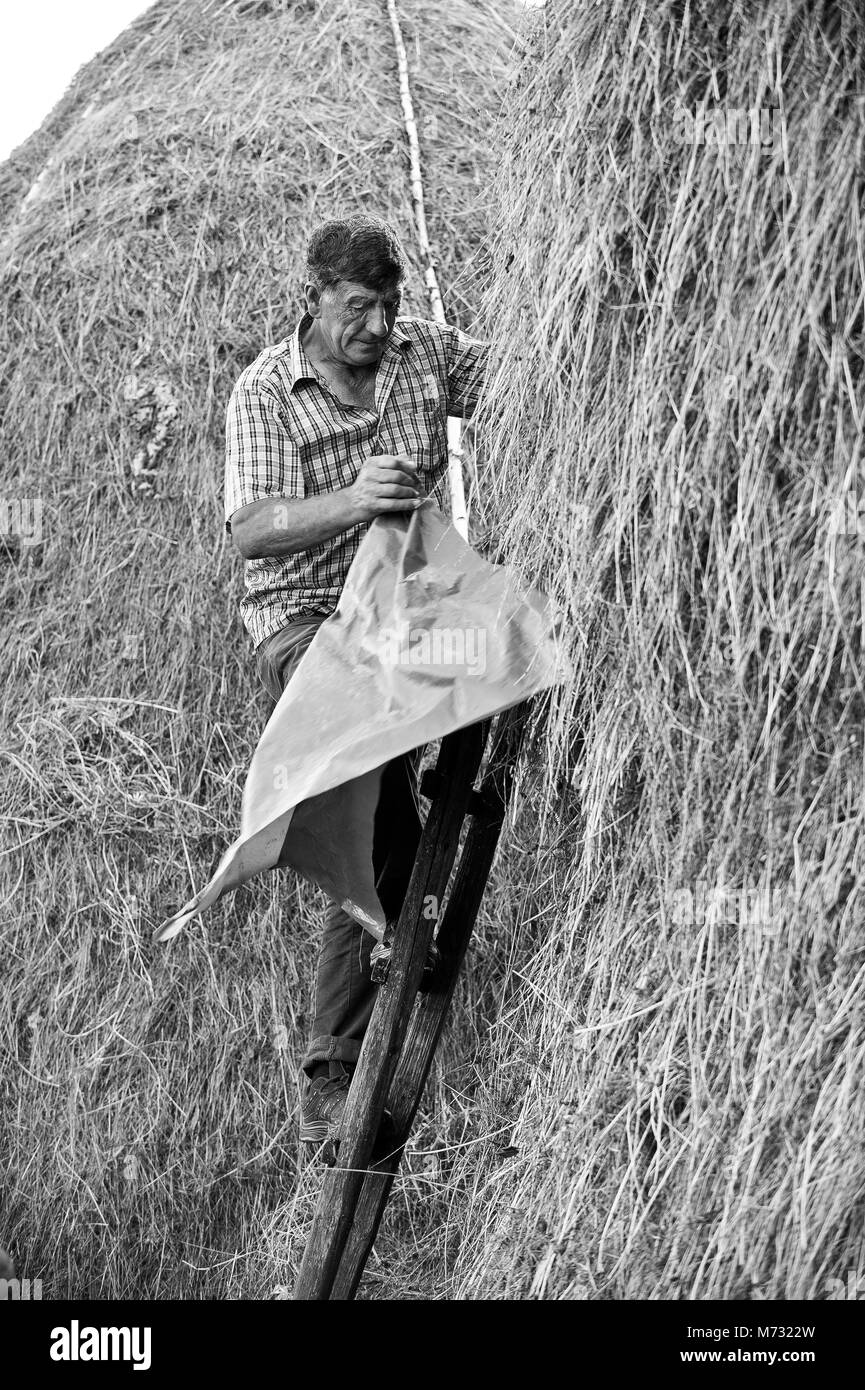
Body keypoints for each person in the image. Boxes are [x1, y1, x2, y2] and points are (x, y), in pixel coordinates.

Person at [224, 212, 488, 1144]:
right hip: (309, 626)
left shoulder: (422, 353)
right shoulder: (266, 393)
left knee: (507, 665)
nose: (375, 327)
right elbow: (253, 530)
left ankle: (441, 844)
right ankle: (333, 1063)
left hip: (408, 614)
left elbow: (537, 383)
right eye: (356, 308)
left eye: (388, 306)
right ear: (314, 298)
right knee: (373, 806)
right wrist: (349, 501)